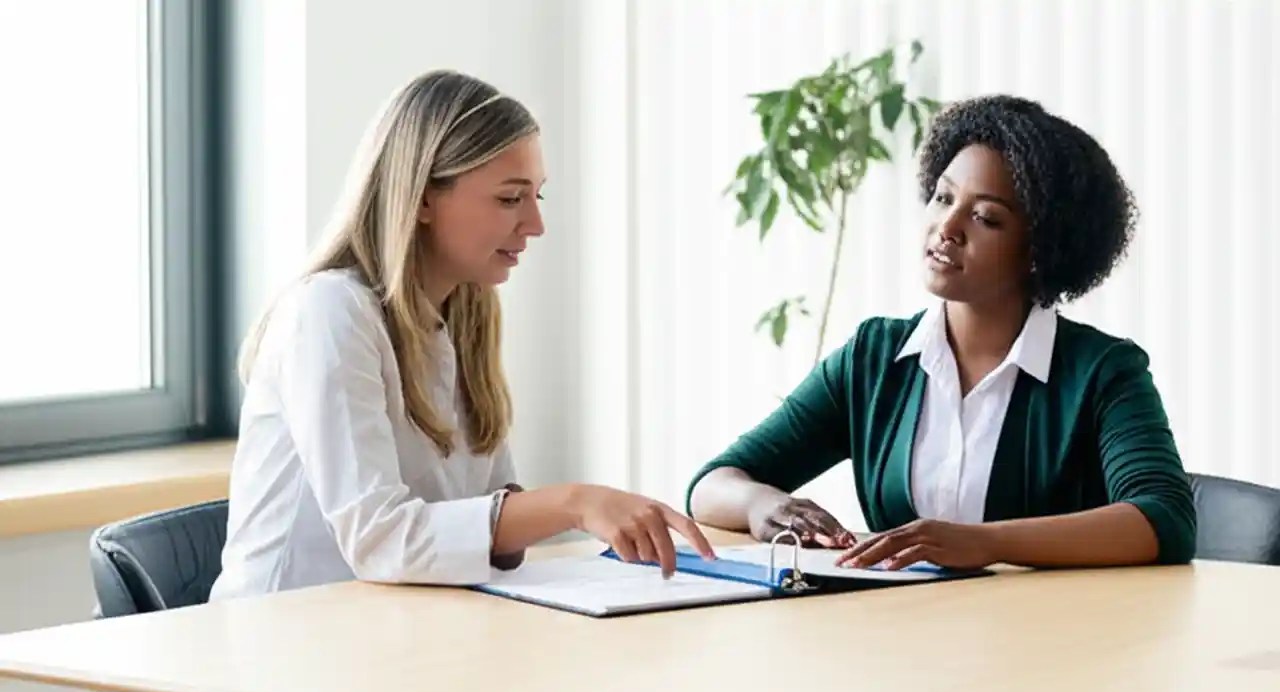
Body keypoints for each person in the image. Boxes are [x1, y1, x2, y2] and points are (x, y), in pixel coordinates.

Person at [211, 70, 712, 601]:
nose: (535, 224)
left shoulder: (465, 315)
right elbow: (380, 541)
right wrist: (575, 503)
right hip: (282, 631)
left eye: (537, 196)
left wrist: (548, 516)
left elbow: (490, 518)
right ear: (424, 199)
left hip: (399, 624)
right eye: (510, 199)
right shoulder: (328, 311)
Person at [687, 95, 1196, 570]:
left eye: (985, 217)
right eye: (943, 197)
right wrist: (763, 504)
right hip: (903, 627)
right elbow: (713, 484)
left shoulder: (1103, 372)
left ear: (1041, 248)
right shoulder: (874, 358)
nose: (947, 227)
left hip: (1053, 630)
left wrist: (985, 542)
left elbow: (1164, 518)